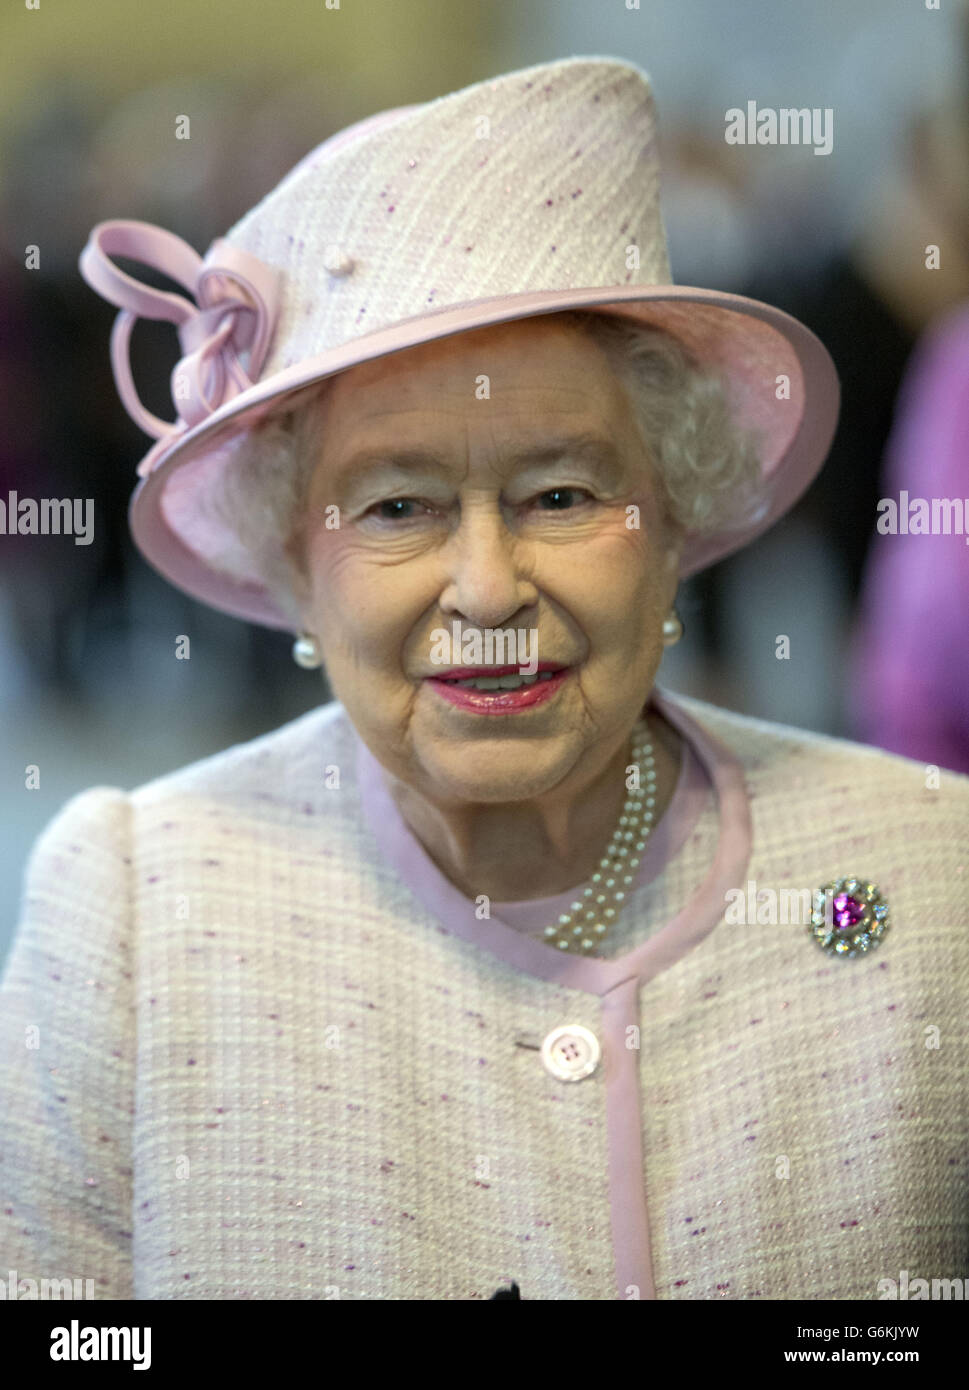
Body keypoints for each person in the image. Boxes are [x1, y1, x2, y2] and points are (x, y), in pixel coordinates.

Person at [1, 56, 966, 1302]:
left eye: (560, 494)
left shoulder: (934, 875)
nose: (488, 587)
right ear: (296, 561)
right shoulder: (131, 909)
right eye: (397, 506)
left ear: (676, 522)